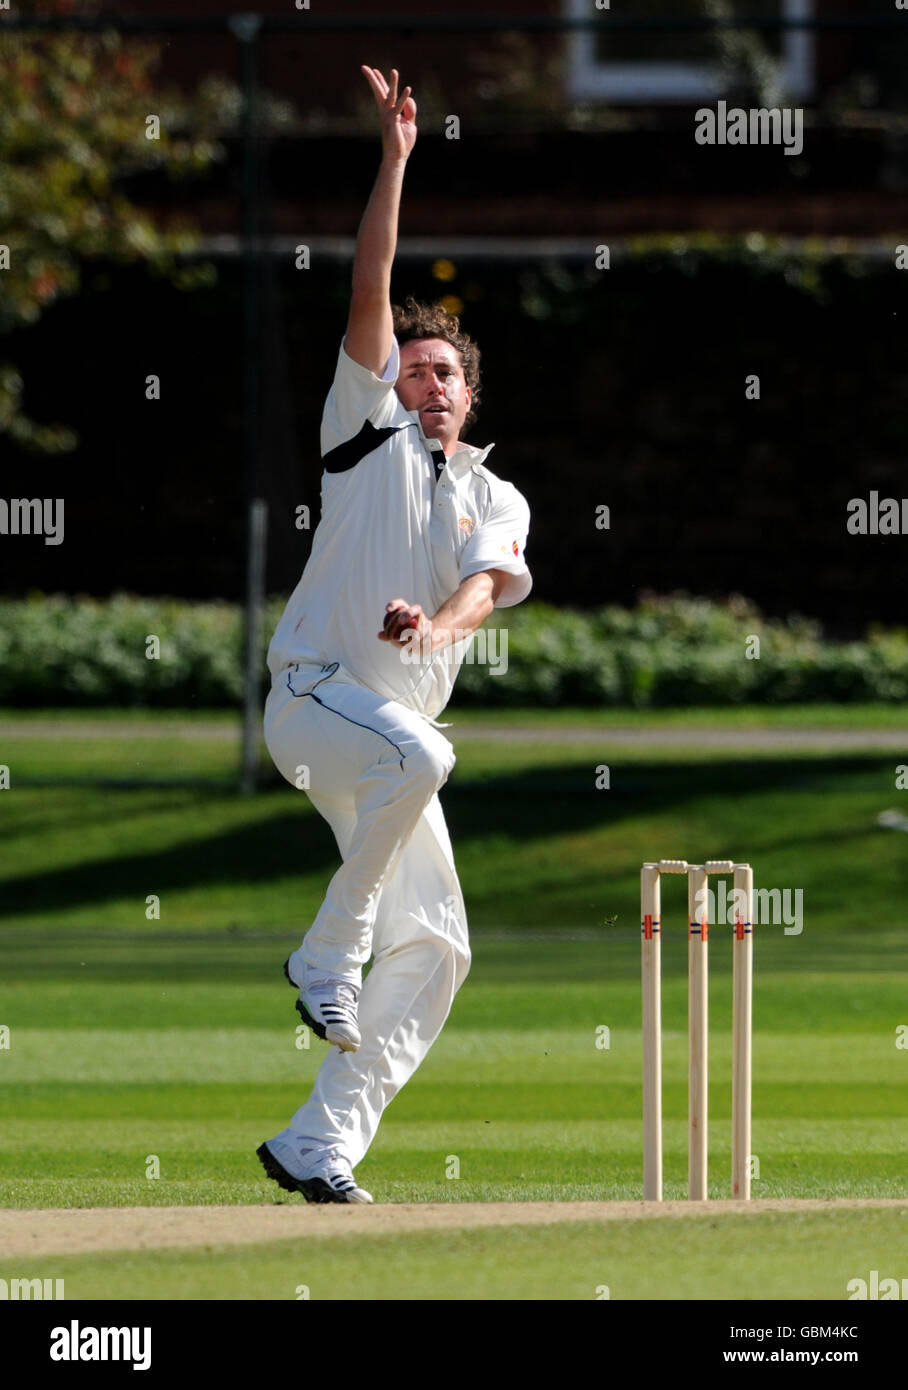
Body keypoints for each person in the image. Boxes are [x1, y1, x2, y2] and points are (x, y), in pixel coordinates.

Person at [257, 66, 533, 1203]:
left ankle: (317, 1142)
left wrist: (436, 626)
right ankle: (325, 953)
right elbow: (371, 276)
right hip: (313, 698)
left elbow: (487, 587)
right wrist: (395, 158)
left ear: (469, 394)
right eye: (412, 368)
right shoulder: (359, 430)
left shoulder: (494, 495)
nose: (427, 381)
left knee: (439, 949)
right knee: (423, 755)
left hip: (385, 747)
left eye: (444, 372)